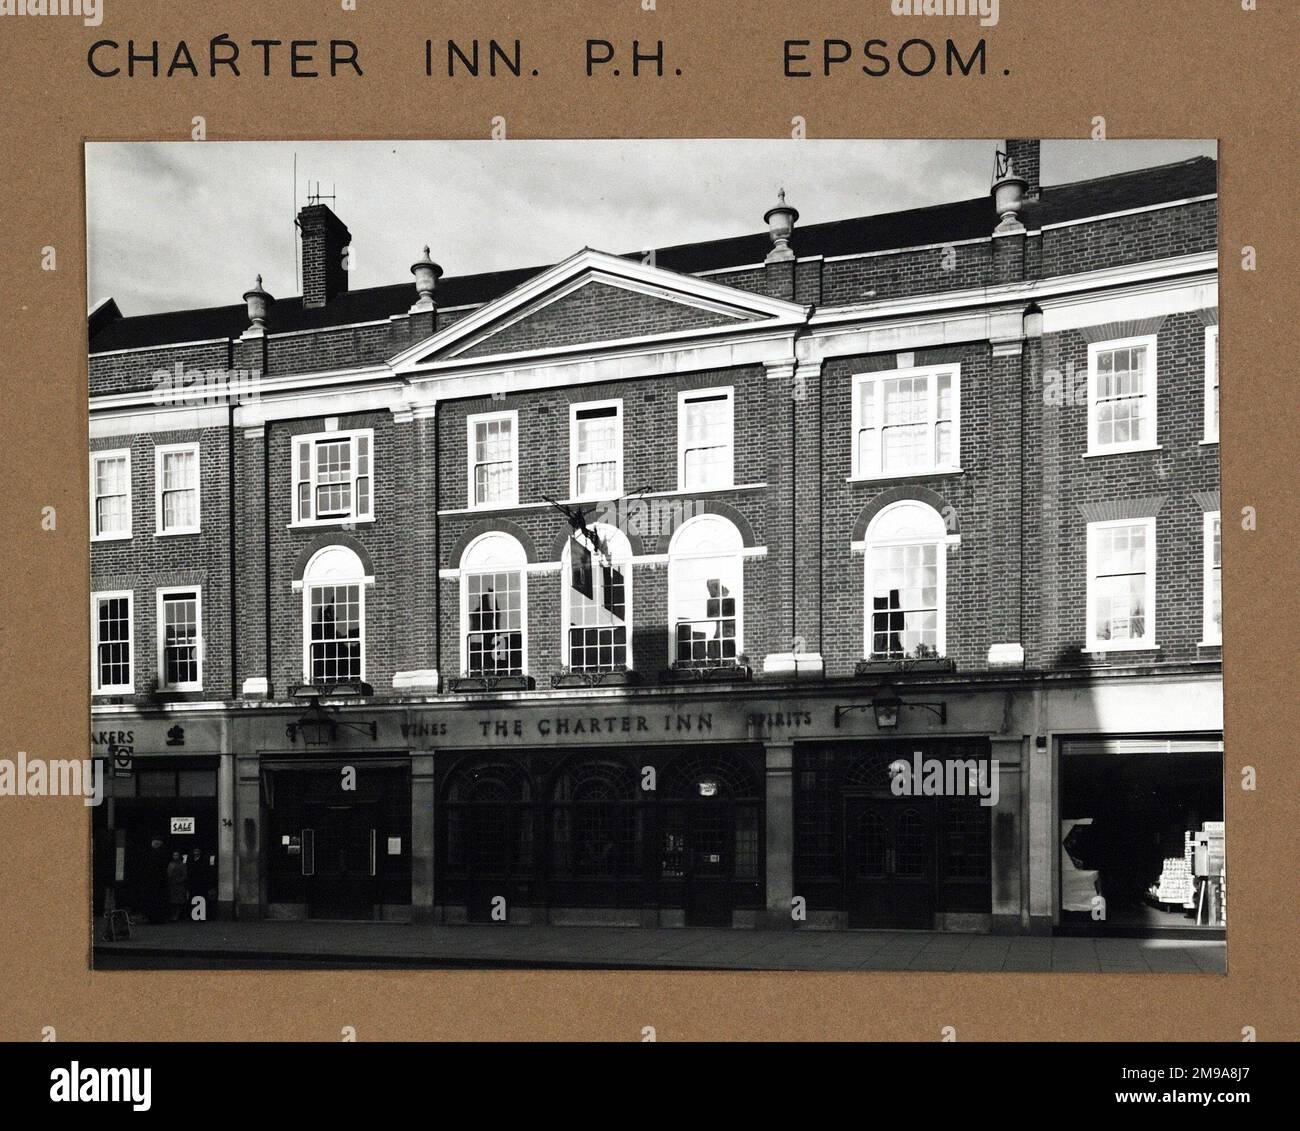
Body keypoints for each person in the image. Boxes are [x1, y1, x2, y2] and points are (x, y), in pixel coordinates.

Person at [166, 851, 188, 922]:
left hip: (179, 885)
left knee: (179, 901)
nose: (175, 856)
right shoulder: (170, 864)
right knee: (172, 901)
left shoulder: (182, 864)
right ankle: (173, 915)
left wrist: (178, 881)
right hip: (171, 885)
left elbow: (184, 875)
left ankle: (177, 915)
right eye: (174, 855)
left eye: (177, 855)